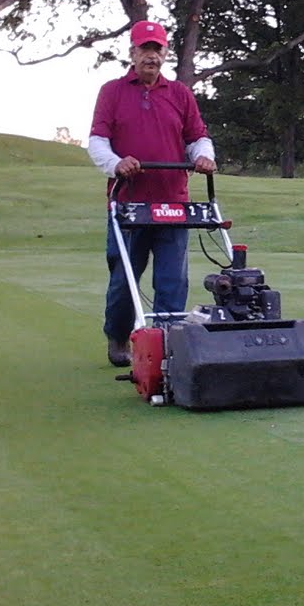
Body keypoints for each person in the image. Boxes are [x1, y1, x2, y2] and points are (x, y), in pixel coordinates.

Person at [88, 19, 217, 366]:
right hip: (128, 203)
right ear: (132, 53)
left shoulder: (180, 94)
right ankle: (118, 337)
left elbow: (196, 138)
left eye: (157, 49)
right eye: (144, 49)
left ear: (165, 52)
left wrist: (204, 157)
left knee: (172, 279)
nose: (151, 56)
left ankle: (165, 348)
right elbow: (98, 142)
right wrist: (117, 164)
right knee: (124, 278)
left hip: (173, 201)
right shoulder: (112, 91)